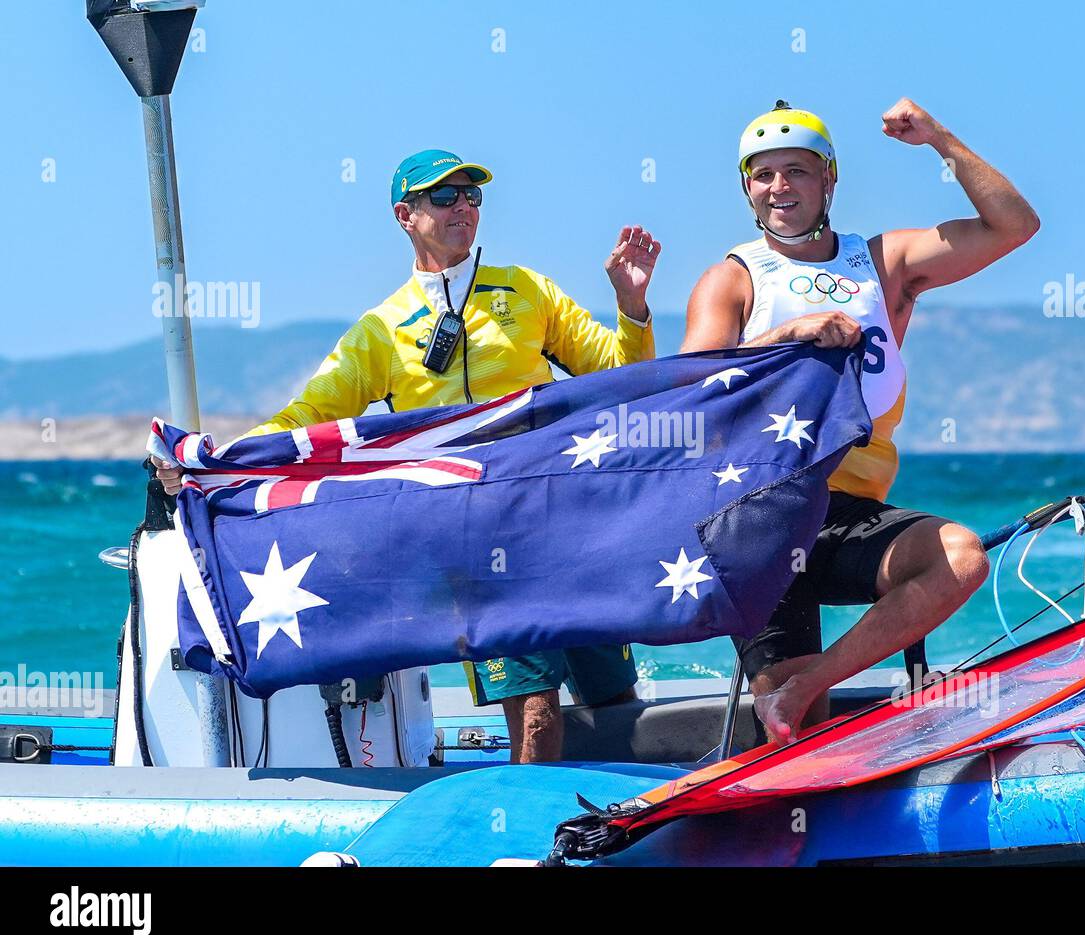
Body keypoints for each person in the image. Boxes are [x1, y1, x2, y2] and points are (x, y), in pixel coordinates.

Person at [153, 148, 661, 763]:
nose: (465, 207)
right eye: (446, 197)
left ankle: (623, 846)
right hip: (476, 537)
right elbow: (307, 418)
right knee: (535, 716)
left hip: (567, 519)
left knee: (618, 707)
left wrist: (631, 307)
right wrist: (218, 461)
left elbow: (625, 379)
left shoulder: (529, 291)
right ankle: (532, 852)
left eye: (473, 195)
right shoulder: (383, 330)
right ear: (406, 215)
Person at [681, 99, 1039, 743]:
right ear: (746, 188)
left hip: (848, 512)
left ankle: (812, 680)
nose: (780, 187)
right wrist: (787, 336)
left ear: (829, 180)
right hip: (758, 515)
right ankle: (788, 756)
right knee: (794, 738)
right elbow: (689, 388)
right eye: (764, 174)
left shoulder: (881, 264)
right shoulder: (731, 280)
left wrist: (939, 138)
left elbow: (1014, 225)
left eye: (797, 170)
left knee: (959, 559)